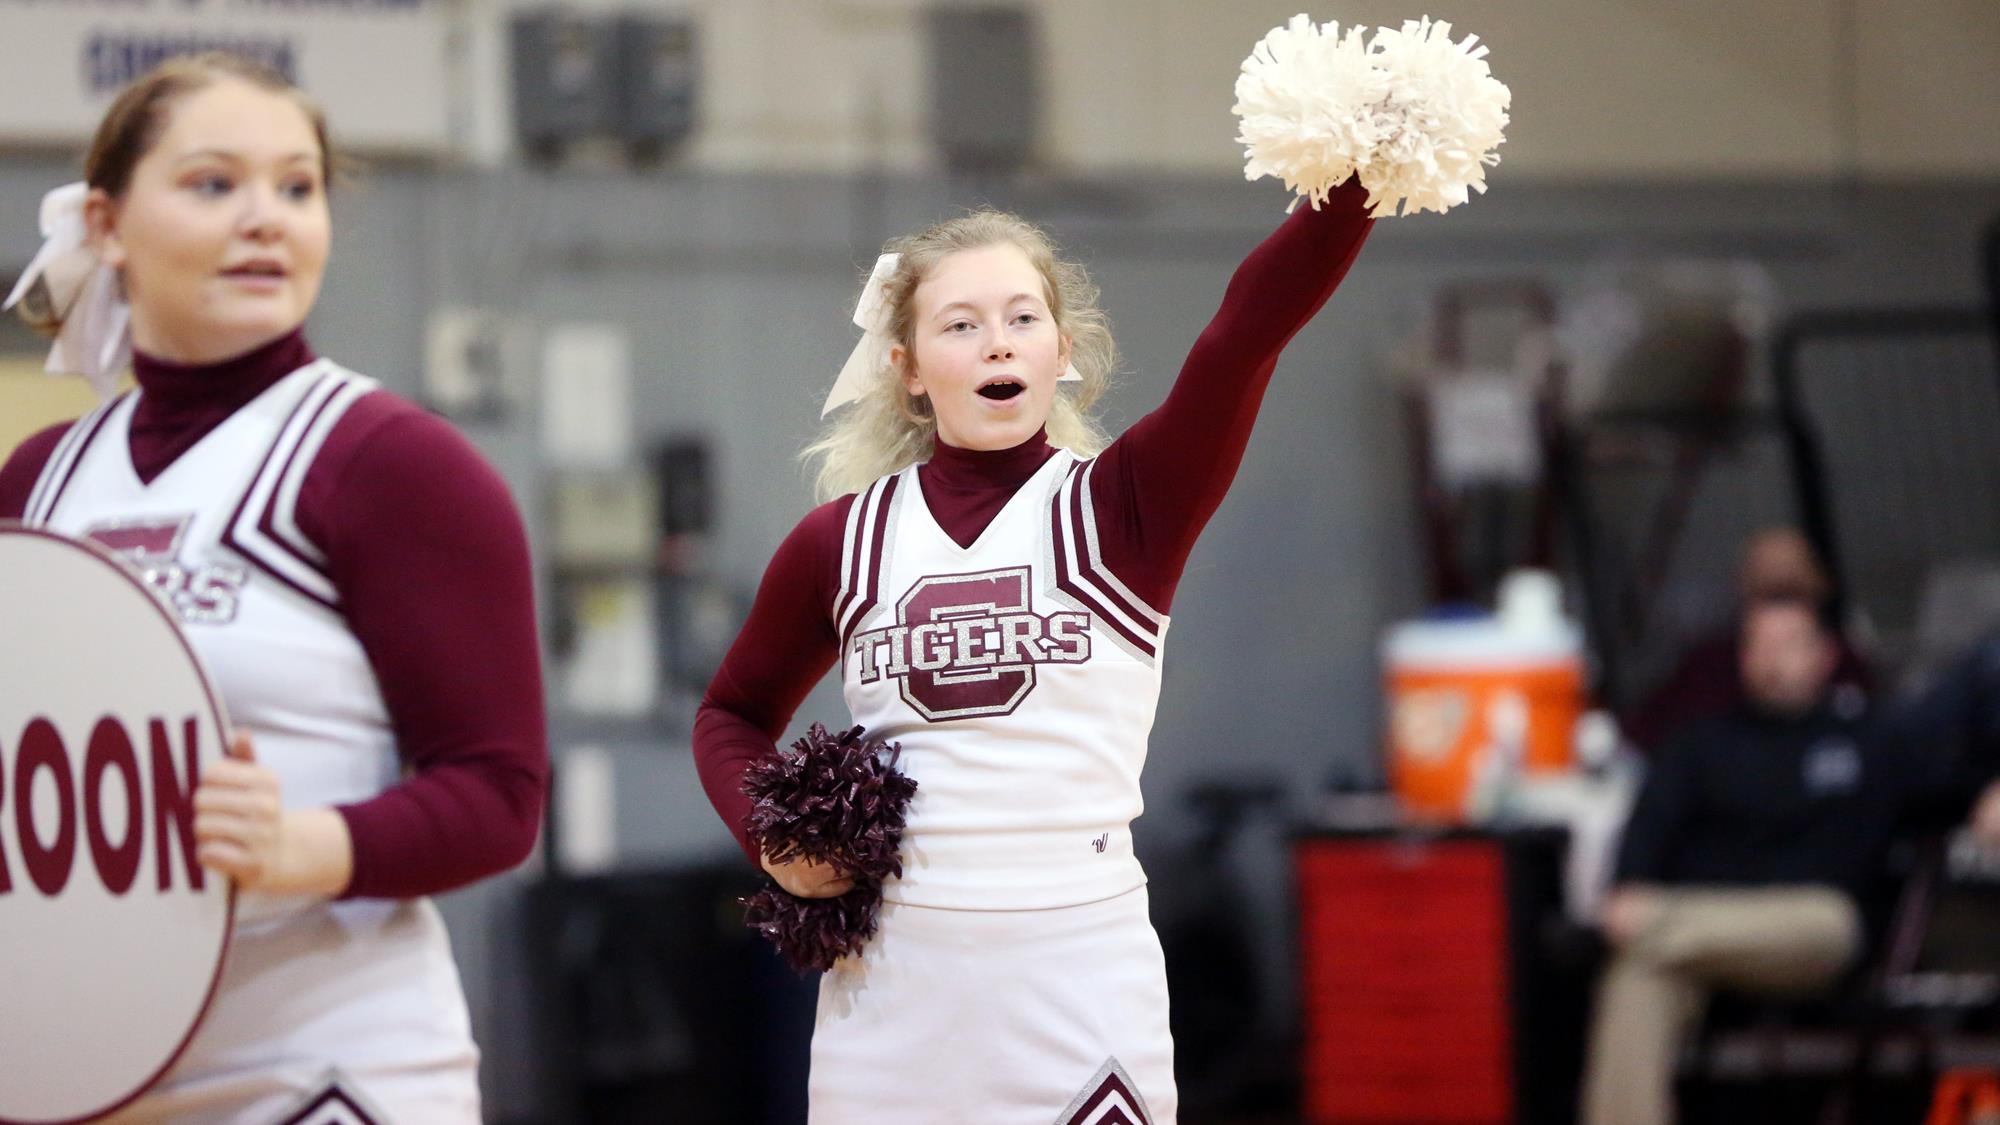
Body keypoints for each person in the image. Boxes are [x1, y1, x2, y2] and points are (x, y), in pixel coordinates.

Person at [692, 168, 1373, 1119]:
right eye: (960, 324)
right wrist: (775, 843)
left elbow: (1241, 337)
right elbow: (730, 714)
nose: (997, 342)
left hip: (1078, 972)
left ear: (1062, 352)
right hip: (895, 983)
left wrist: (1355, 187)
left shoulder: (1123, 508)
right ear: (909, 368)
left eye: (1022, 318)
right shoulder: (840, 541)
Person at [0, 54, 547, 1123]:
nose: (266, 219)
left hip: (323, 1069)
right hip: (75, 1074)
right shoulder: (38, 480)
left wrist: (300, 847)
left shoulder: (393, 463)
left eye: (296, 188)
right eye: (214, 184)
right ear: (107, 225)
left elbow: (499, 797)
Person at [1581, 597, 2000, 1125]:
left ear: (1823, 655)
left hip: (1814, 929)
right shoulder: (1699, 744)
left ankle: (1653, 926)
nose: (1771, 659)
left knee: (1643, 939)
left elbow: (1950, 788)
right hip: (1701, 941)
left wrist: (1986, 792)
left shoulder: (1867, 738)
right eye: (1759, 645)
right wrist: (1632, 891)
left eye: (1788, 645)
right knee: (1639, 978)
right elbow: (1644, 840)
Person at [1624, 526, 1873, 754]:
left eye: (1791, 595)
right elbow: (1643, 741)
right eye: (1769, 597)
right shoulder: (1707, 668)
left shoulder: (1848, 665)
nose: (1779, 619)